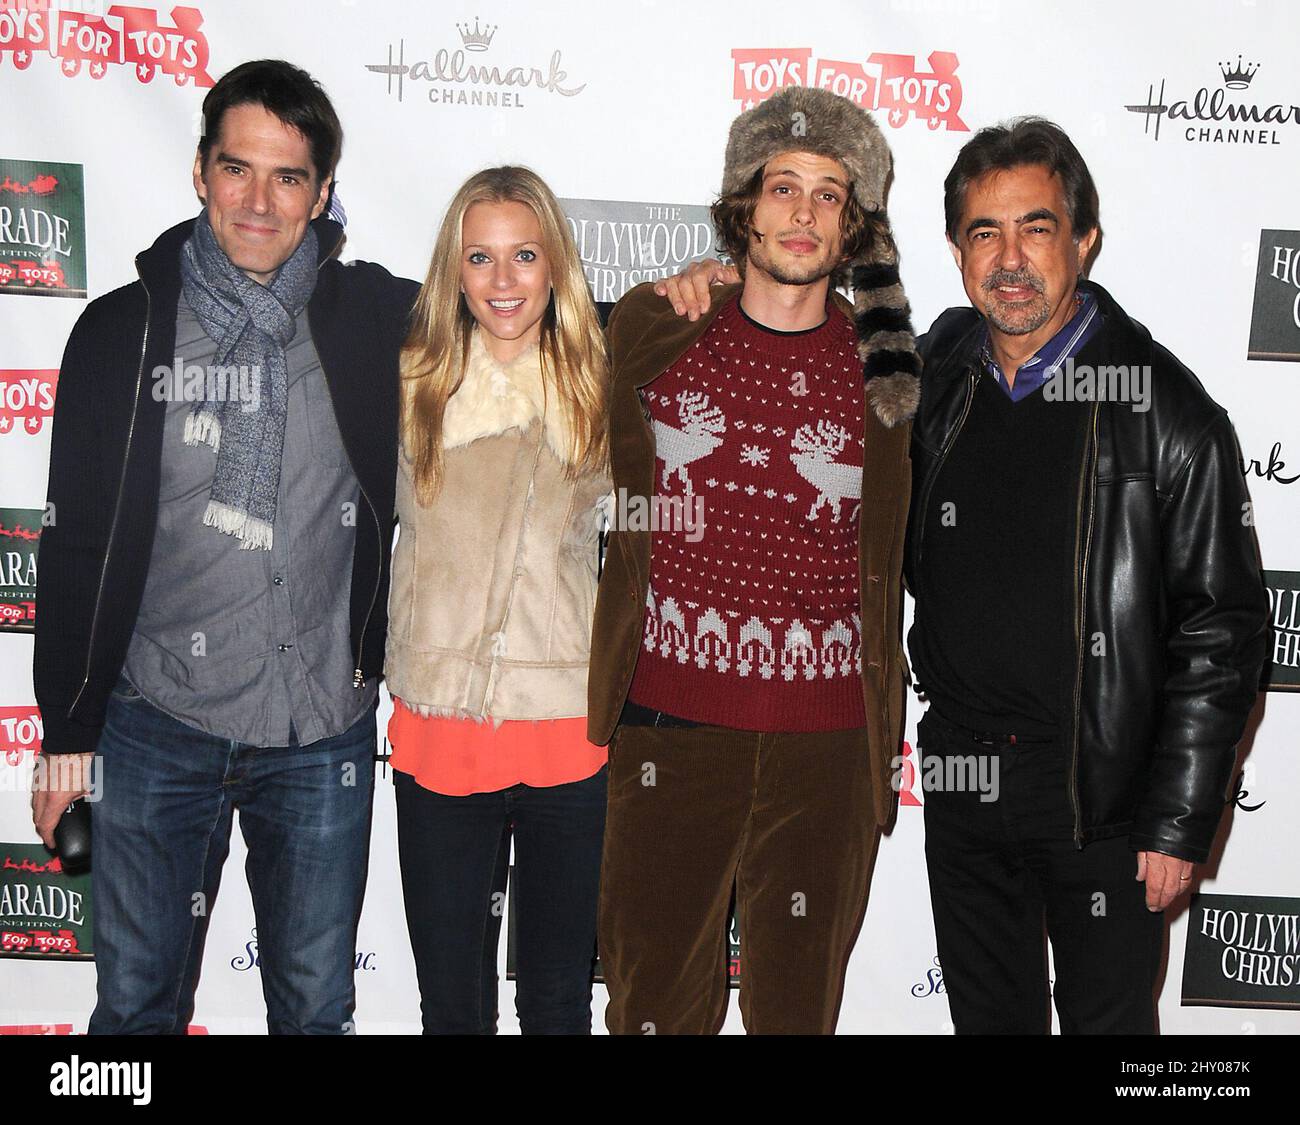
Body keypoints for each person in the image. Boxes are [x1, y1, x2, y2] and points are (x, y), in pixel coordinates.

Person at [31, 59, 416, 1034]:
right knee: (134, 1010)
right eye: (237, 169)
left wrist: (686, 302)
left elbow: (520, 315)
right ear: (200, 172)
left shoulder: (371, 318)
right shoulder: (123, 334)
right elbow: (73, 543)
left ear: (322, 193)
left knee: (315, 1012)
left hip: (321, 731)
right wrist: (66, 734)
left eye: (287, 178)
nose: (258, 200)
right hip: (156, 726)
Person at [906, 117, 1269, 1033]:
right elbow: (815, 341)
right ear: (957, 253)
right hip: (960, 770)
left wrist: (1179, 820)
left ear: (1084, 240)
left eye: (1037, 227)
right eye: (985, 233)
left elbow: (1221, 630)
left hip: (1103, 795)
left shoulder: (1168, 410)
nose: (1012, 258)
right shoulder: (943, 368)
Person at [588, 86, 920, 1034]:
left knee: (797, 1009)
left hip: (827, 744)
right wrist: (695, 280)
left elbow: (890, 547)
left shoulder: (886, 368)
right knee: (651, 1006)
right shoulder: (657, 328)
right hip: (670, 726)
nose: (804, 213)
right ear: (745, 203)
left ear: (853, 222)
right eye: (784, 186)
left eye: (828, 193)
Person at [386, 166, 612, 1034]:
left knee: (557, 1001)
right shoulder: (411, 383)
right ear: (455, 269)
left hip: (566, 727)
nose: (505, 280)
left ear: (556, 264)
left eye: (525, 254)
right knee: (453, 1004)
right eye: (480, 257)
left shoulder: (598, 391)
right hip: (442, 729)